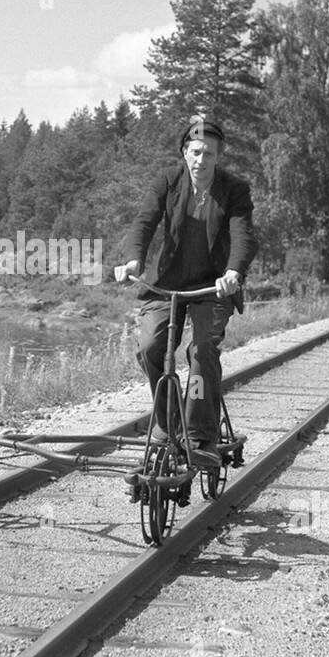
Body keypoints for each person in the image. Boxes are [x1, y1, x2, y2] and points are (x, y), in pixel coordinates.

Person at [115, 116, 259, 473]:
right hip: (169, 285)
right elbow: (145, 221)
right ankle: (167, 424)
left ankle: (199, 437)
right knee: (151, 346)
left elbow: (243, 235)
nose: (201, 160)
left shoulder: (234, 189)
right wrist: (134, 259)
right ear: (184, 152)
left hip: (213, 287)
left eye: (209, 154)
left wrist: (233, 272)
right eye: (195, 152)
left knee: (202, 349)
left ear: (217, 156)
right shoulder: (168, 181)